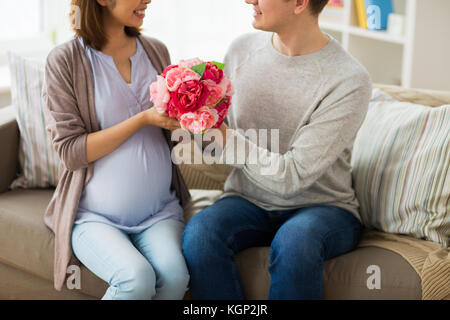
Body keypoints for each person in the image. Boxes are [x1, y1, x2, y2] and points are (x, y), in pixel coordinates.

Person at [182, 0, 372, 299]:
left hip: (322, 207)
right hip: (246, 199)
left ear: (299, 3)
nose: (249, 1)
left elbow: (292, 178)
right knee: (200, 235)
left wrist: (225, 136)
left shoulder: (348, 79)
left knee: (297, 241)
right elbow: (218, 150)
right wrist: (191, 120)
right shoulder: (241, 50)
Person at [43, 0, 191, 299]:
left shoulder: (156, 51)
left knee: (175, 278)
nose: (148, 0)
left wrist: (195, 115)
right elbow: (71, 151)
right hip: (93, 216)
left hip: (159, 212)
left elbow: (174, 133)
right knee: (135, 278)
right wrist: (142, 119)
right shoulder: (65, 60)